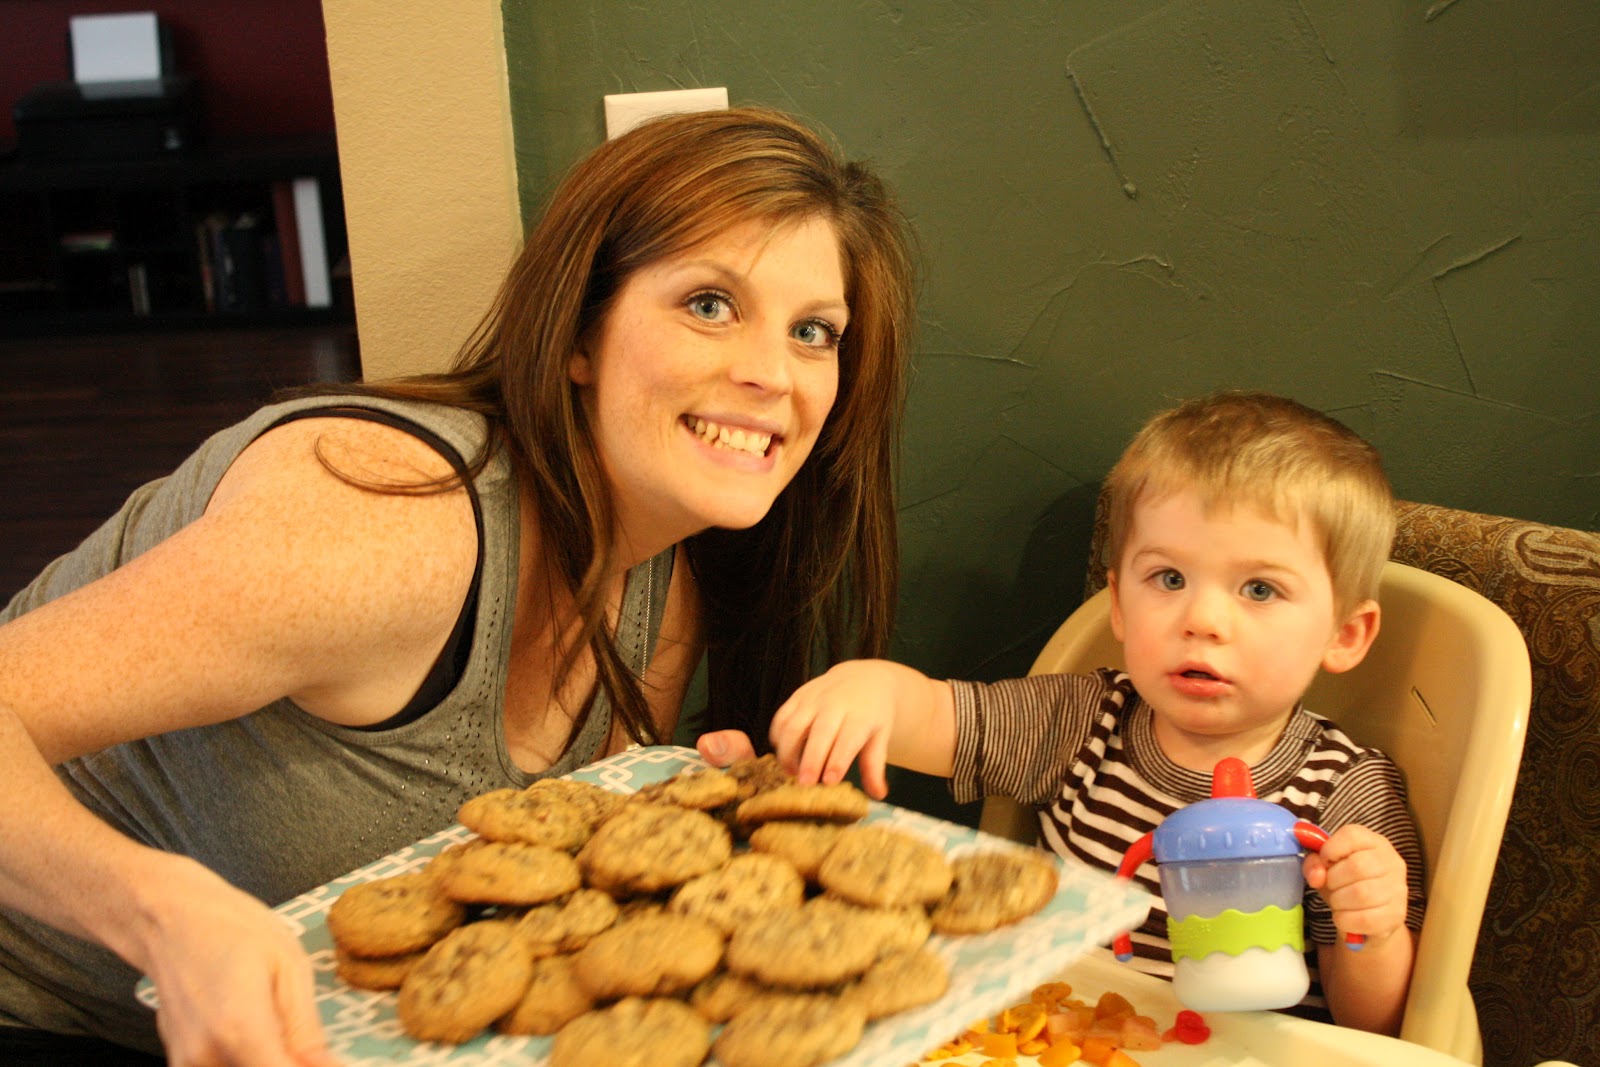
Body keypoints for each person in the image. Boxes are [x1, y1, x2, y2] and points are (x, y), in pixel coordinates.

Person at [0, 106, 916, 1064]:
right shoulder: (384, 525)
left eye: (814, 331)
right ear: (580, 336)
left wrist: (696, 838)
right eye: (709, 304)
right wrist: (159, 912)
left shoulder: (664, 598)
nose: (774, 372)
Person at [702, 391, 1425, 1035]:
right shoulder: (1082, 721)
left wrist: (1377, 925)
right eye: (1168, 578)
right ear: (1117, 601)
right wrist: (873, 691)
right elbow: (936, 718)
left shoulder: (1346, 792)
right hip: (1059, 1036)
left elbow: (1378, 1023)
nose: (1202, 618)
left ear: (1344, 634)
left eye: (1260, 590)